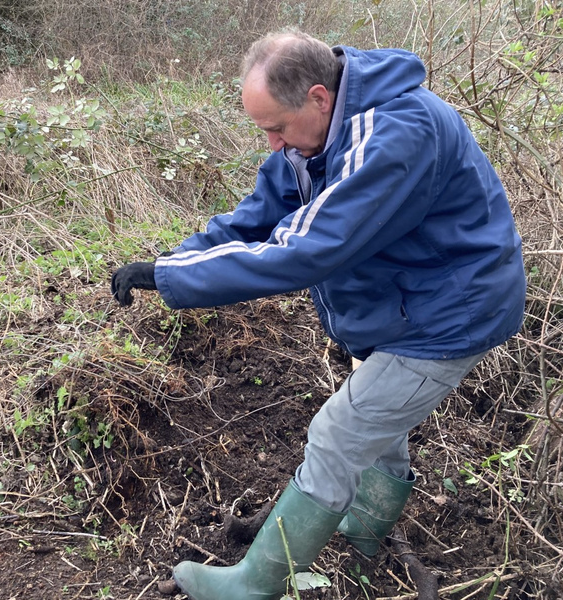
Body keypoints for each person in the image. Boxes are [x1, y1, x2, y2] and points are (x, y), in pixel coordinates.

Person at [111, 30, 526, 600]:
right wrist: (170, 262)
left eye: (277, 127)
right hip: (397, 303)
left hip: (449, 313)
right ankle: (366, 529)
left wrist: (174, 280)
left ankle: (256, 585)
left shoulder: (398, 135)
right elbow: (260, 215)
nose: (274, 144)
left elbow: (307, 249)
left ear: (318, 97)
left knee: (338, 433)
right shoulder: (311, 140)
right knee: (374, 417)